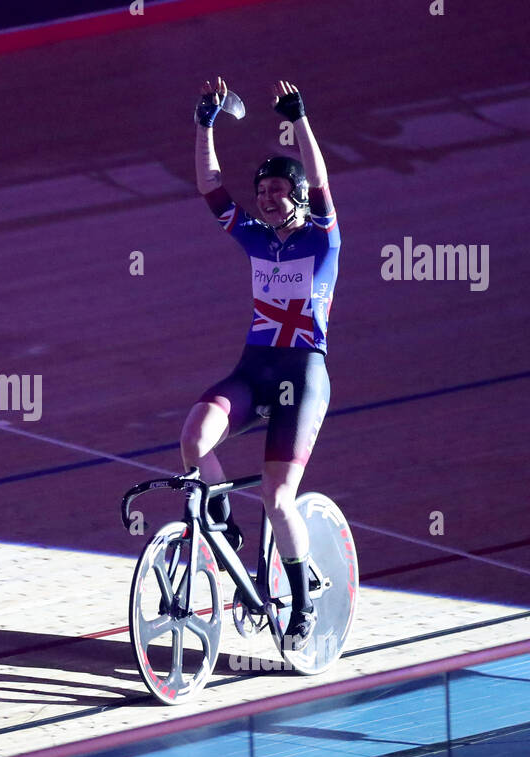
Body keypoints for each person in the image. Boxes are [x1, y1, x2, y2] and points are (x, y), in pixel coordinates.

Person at [182, 77, 340, 652]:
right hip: (255, 370)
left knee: (278, 498)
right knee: (195, 437)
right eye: (262, 189)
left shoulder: (323, 239)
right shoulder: (255, 239)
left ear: (297, 196)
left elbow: (320, 178)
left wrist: (299, 119)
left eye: (278, 188)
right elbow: (211, 188)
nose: (267, 197)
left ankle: (302, 601)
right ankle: (224, 524)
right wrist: (204, 124)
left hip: (303, 378)